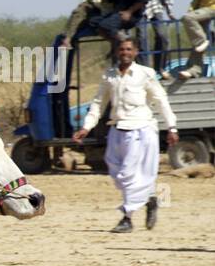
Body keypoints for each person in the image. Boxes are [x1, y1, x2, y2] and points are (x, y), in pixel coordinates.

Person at [72, 38, 177, 233]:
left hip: (141, 130)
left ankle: (127, 218)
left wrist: (172, 127)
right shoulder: (109, 76)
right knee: (117, 174)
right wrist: (86, 127)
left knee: (128, 174)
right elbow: (98, 104)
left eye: (129, 49)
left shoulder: (145, 74)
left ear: (136, 51)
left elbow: (161, 100)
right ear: (116, 52)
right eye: (121, 49)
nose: (125, 52)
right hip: (117, 130)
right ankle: (150, 199)